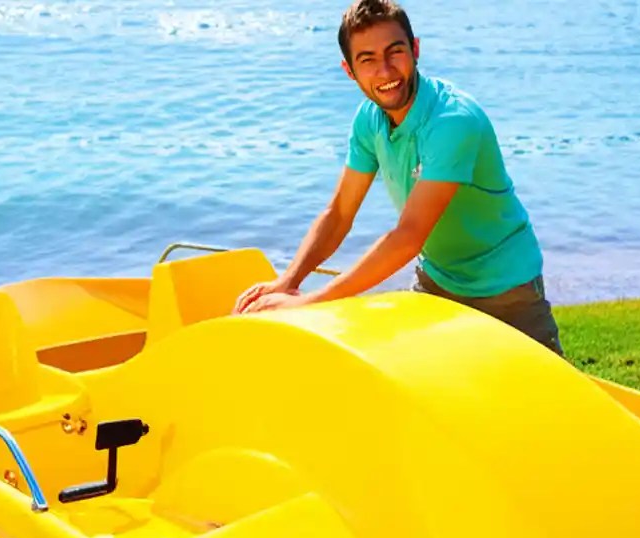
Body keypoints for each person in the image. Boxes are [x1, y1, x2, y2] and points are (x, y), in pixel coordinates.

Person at [232, 0, 564, 357]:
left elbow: (408, 236)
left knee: (549, 407)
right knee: (425, 399)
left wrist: (313, 300)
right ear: (350, 71)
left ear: (415, 49)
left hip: (506, 290)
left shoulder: (452, 121)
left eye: (395, 52)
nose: (385, 70)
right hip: (437, 281)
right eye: (368, 60)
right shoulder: (368, 121)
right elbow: (340, 213)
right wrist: (289, 281)